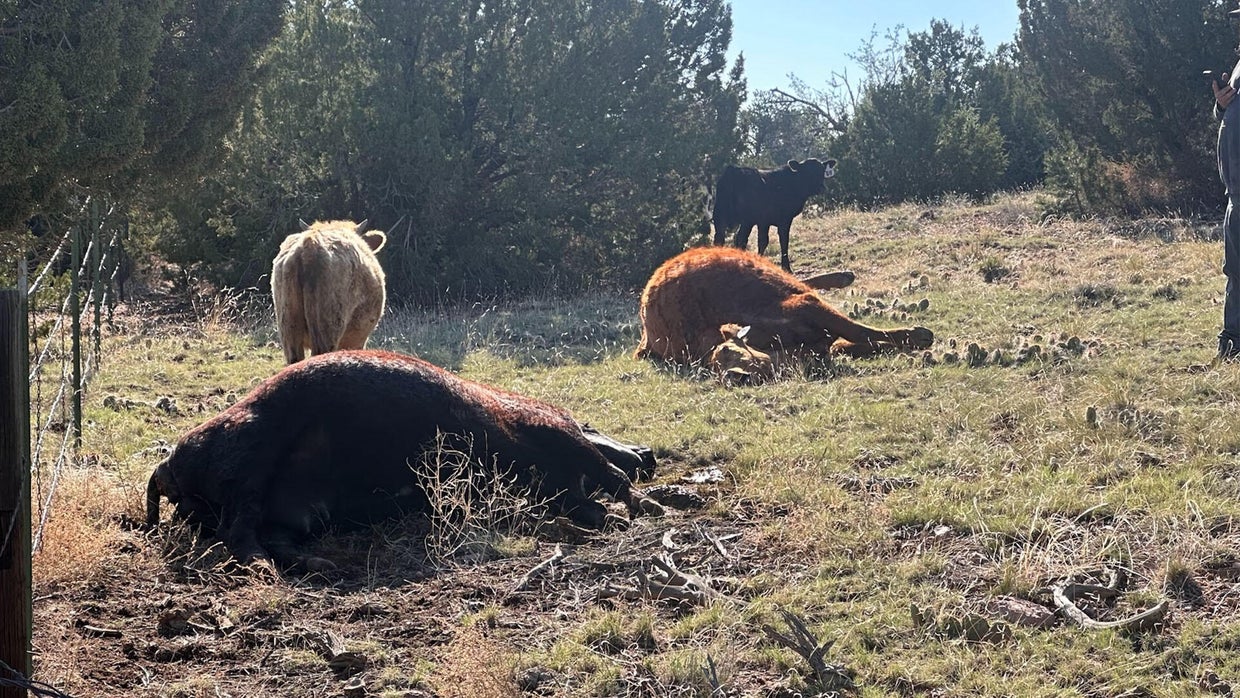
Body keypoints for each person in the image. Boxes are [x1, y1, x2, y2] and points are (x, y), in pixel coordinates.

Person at [1212, 7, 1240, 360]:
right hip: (1235, 189)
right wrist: (1220, 106)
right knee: (1235, 270)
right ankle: (1232, 342)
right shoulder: (1238, 66)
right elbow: (1228, 115)